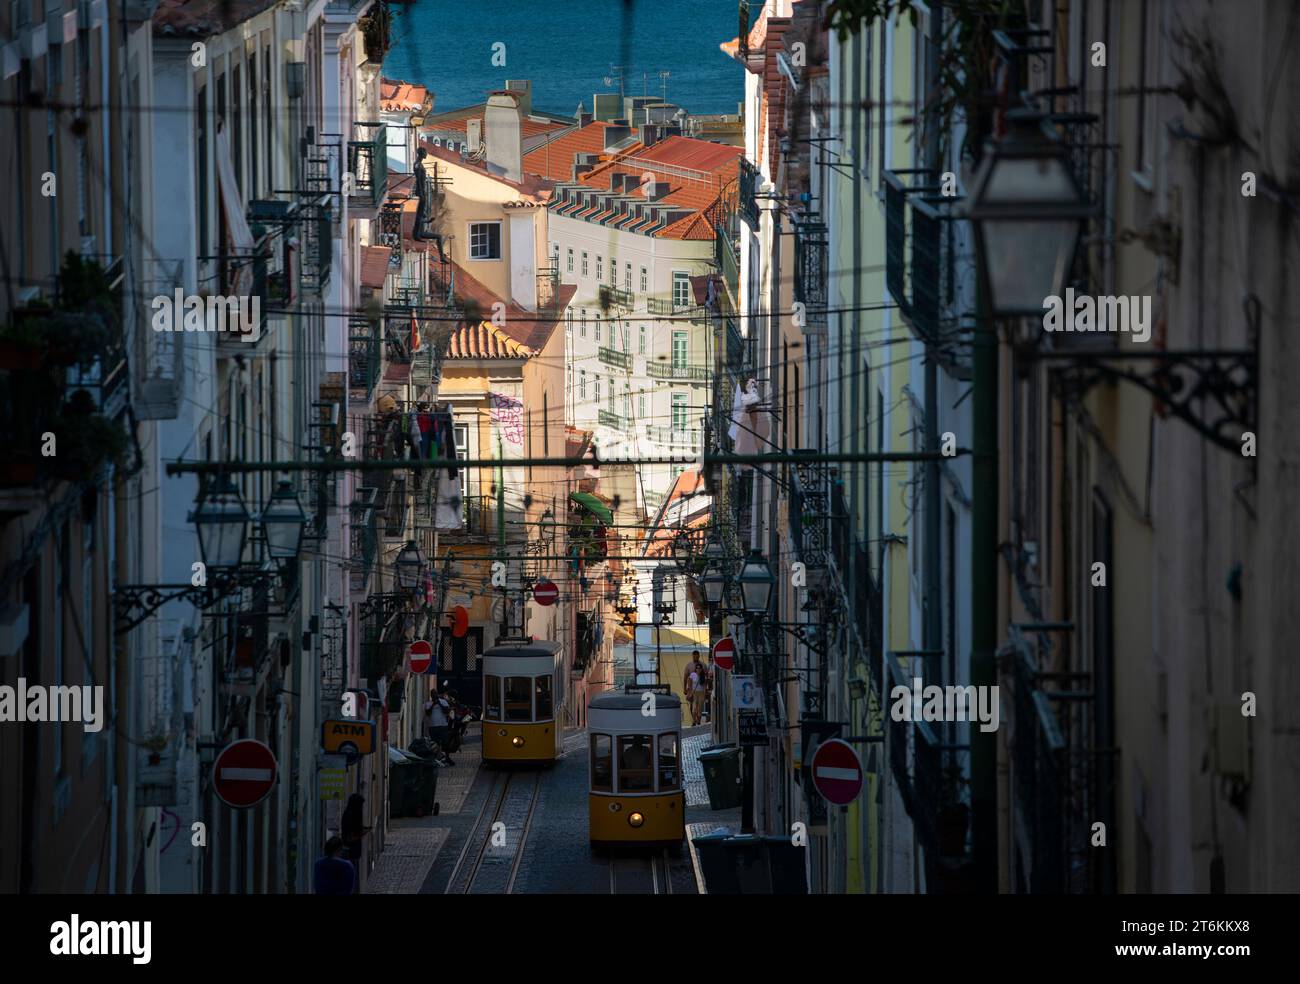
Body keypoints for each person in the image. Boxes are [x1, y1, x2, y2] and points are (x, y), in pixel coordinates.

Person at [340, 794, 369, 889]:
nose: (361, 808)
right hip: (349, 853)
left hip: (353, 853)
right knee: (352, 881)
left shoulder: (353, 814)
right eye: (360, 805)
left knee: (354, 880)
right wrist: (361, 834)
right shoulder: (349, 815)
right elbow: (349, 838)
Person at [427, 688, 454, 765]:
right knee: (435, 744)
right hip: (433, 727)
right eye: (432, 694)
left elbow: (447, 711)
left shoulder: (443, 702)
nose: (434, 695)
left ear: (437, 694)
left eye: (435, 693)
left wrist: (439, 704)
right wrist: (433, 705)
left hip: (442, 726)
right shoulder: (428, 703)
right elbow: (428, 713)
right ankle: (436, 759)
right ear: (431, 696)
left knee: (445, 743)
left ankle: (447, 757)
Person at [687, 660, 705, 726]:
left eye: (699, 668)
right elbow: (689, 682)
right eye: (697, 668)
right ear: (695, 668)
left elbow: (704, 687)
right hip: (694, 693)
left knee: (700, 708)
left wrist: (705, 695)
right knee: (694, 708)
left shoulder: (703, 676)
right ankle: (694, 721)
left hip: (701, 693)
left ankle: (698, 721)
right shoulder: (693, 674)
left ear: (701, 669)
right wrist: (690, 691)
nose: (698, 669)